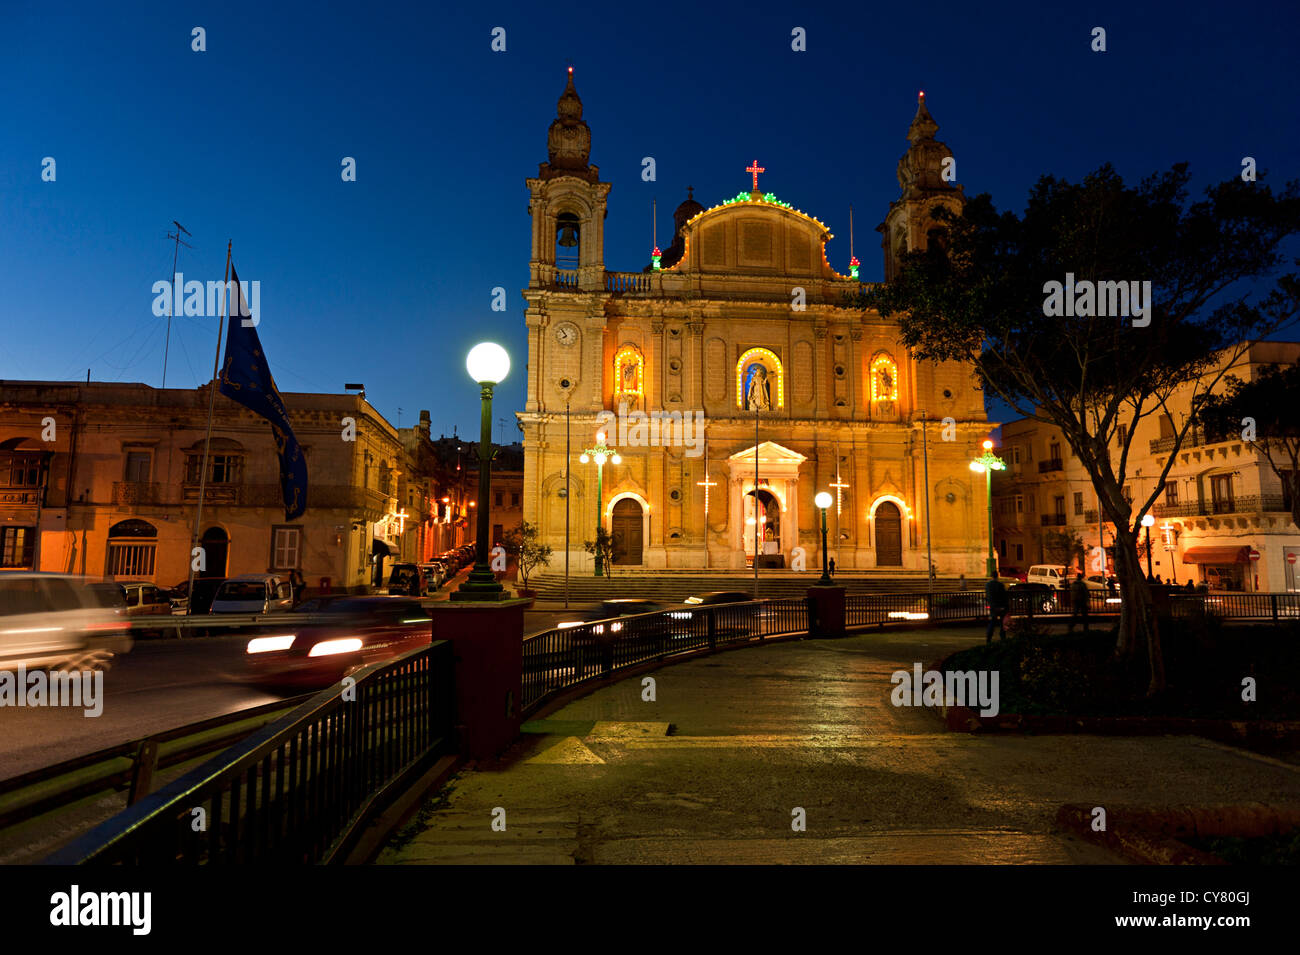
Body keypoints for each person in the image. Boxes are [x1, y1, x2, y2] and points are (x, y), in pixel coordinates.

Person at [984, 574, 1009, 644]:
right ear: (997, 576)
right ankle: (1003, 636)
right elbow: (1004, 596)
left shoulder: (988, 585)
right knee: (1002, 622)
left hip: (993, 606)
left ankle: (989, 637)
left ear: (991, 576)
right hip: (1000, 606)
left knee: (992, 622)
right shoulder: (1000, 585)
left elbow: (987, 595)